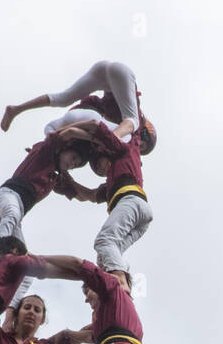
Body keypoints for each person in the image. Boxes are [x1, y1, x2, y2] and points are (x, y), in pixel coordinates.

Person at [0, 136, 89, 309]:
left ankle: (9, 309)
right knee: (12, 215)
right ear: (63, 149)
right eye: (73, 157)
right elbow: (62, 132)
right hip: (7, 197)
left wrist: (102, 192)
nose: (72, 164)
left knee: (28, 267)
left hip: (16, 217)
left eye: (76, 164)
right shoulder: (44, 152)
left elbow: (83, 196)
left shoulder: (55, 179)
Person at [53, 117, 152, 281]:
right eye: (98, 171)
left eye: (99, 164)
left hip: (132, 202)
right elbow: (90, 196)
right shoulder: (111, 183)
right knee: (105, 257)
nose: (101, 170)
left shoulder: (125, 152)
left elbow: (128, 131)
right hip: (140, 214)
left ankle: (121, 283)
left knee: (104, 241)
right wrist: (69, 181)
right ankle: (120, 286)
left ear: (107, 154)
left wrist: (136, 120)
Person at [1, 60, 156, 155]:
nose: (138, 148)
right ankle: (115, 136)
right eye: (142, 146)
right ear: (145, 135)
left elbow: (89, 104)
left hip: (102, 71)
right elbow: (130, 126)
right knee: (132, 122)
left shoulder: (111, 112)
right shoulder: (137, 124)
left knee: (63, 98)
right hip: (121, 73)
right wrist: (111, 140)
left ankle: (16, 109)